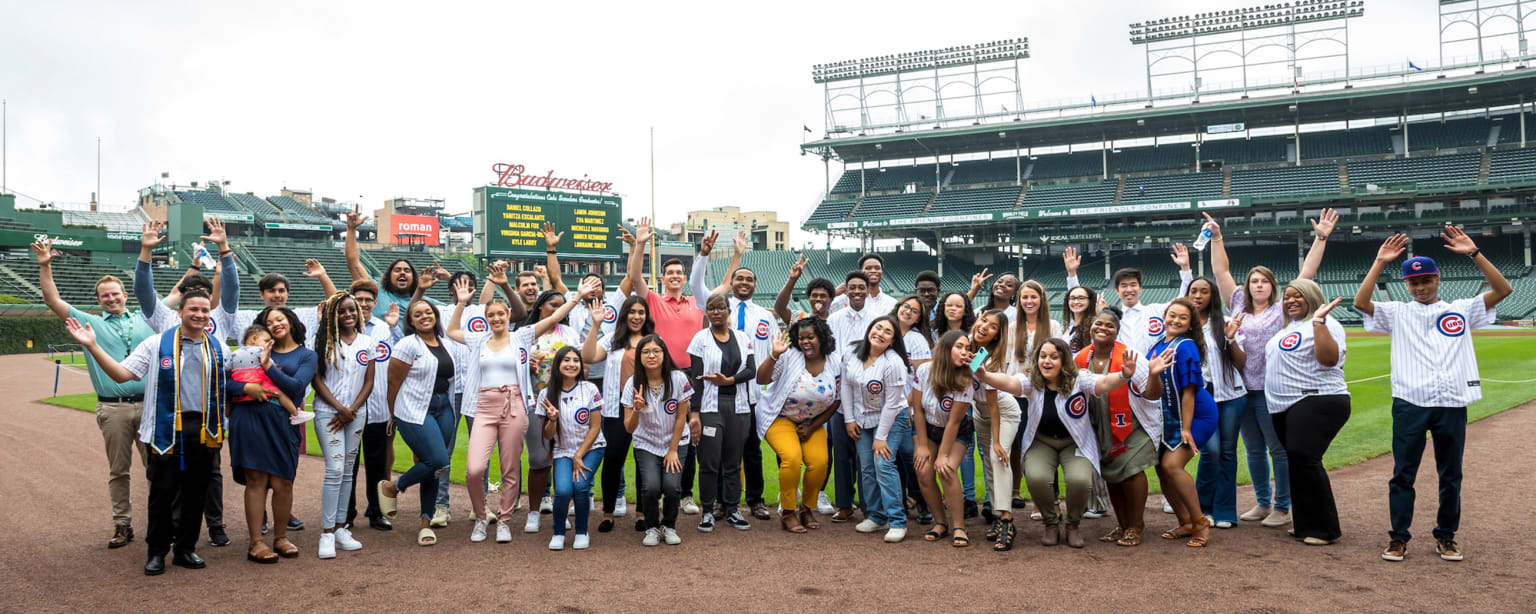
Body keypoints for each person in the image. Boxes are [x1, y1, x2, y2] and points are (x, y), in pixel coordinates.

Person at [64, 288, 255, 575]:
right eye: (194, 309)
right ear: (180, 312)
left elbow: (228, 387)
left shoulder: (219, 347)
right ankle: (156, 551)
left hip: (204, 429)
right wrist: (92, 345)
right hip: (166, 429)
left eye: (205, 311)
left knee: (196, 492)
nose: (200, 315)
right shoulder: (156, 344)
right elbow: (121, 374)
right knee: (162, 494)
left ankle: (186, 549)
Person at [1355, 229, 1512, 562]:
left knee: (1451, 474)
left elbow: (1503, 289)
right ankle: (1398, 538)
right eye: (1414, 282)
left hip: (1452, 401)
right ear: (1406, 285)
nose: (1420, 286)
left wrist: (1474, 253)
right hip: (1410, 401)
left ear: (1437, 279)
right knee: (1403, 474)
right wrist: (1379, 263)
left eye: (1426, 280)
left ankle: (1446, 536)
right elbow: (1360, 303)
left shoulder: (1462, 309)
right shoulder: (1397, 312)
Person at [1202, 209, 1333, 528]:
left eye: (1264, 281)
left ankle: (1282, 505)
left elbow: (1306, 276)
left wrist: (1320, 239)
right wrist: (1217, 238)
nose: (1258, 285)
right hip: (1241, 391)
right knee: (1254, 451)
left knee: (1277, 449)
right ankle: (1262, 502)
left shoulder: (1281, 310)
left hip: (1272, 390)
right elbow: (1221, 272)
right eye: (1253, 281)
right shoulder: (1236, 304)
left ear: (1272, 286)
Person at [33, 236, 161, 549]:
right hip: (113, 408)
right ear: (99, 300)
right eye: (104, 296)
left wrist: (197, 264)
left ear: (125, 294)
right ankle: (123, 525)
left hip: (149, 407)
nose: (110, 299)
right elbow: (53, 301)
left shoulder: (147, 318)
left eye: (115, 293)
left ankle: (162, 524)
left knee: (157, 470)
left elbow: (175, 298)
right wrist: (44, 267)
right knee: (119, 471)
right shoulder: (87, 321)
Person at [446, 276, 596, 543]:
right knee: (474, 469)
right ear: (487, 318)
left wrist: (575, 297)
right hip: (484, 405)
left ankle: (504, 520)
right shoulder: (479, 340)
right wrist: (460, 303)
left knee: (510, 468)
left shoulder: (522, 336)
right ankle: (482, 518)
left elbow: (552, 319)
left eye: (500, 314)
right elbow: (451, 332)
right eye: (490, 315)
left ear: (508, 315)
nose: (495, 318)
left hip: (514, 405)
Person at [129, 221, 241, 546]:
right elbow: (143, 291)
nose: (200, 307)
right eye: (193, 302)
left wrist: (225, 250)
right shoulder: (165, 320)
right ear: (180, 306)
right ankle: (169, 533)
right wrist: (146, 251)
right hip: (167, 419)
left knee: (209, 478)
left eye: (206, 301)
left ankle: (214, 527)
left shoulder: (217, 319)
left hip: (206, 419)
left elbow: (231, 290)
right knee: (166, 482)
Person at [975, 338, 1139, 548]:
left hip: (1075, 443)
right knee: (1036, 477)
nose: (1047, 361)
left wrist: (1124, 374)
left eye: (1054, 357)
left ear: (1064, 360)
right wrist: (984, 375)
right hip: (1041, 442)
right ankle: (1051, 523)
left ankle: (1073, 525)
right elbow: (1009, 383)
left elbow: (1103, 383)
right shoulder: (1031, 380)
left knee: (1079, 480)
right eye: (1043, 356)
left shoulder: (1079, 379)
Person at [692, 232, 777, 521]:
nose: (743, 283)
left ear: (755, 285)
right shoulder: (718, 308)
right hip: (716, 400)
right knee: (716, 453)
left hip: (752, 395)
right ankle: (718, 504)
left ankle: (755, 500)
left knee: (750, 451)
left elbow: (766, 357)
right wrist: (727, 255)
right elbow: (697, 285)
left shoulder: (764, 317)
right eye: (738, 279)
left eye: (748, 279)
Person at [626, 218, 706, 517]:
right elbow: (634, 279)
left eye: (679, 273)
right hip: (657, 373)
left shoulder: (696, 302)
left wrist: (731, 255)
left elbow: (722, 286)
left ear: (684, 278)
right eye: (669, 273)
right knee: (651, 429)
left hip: (689, 374)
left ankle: (685, 494)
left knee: (688, 433)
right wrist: (641, 243)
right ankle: (652, 495)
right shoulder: (655, 302)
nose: (675, 276)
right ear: (662, 278)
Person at [1265, 280, 1350, 546]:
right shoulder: (1288, 328)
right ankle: (1305, 524)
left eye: (1297, 296)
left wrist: (1319, 324)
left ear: (1311, 297)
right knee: (1296, 462)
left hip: (1317, 398)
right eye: (1287, 297)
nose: (1290, 301)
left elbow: (1329, 359)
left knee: (1306, 458)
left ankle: (1326, 529)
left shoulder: (1325, 323)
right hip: (1285, 404)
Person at [377, 299, 464, 547]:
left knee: (433, 467)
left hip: (443, 408)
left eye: (428, 312)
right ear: (411, 321)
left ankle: (425, 522)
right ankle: (393, 488)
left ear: (435, 315)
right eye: (418, 314)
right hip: (414, 410)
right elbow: (392, 384)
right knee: (438, 461)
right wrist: (393, 415)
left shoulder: (446, 344)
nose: (424, 316)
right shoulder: (406, 345)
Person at [1074, 308, 1160, 547]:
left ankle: (1136, 524)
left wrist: (1154, 375)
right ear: (1091, 326)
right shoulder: (1080, 358)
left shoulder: (1130, 356)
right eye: (1099, 324)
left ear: (1117, 332)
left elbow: (1153, 394)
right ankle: (1123, 524)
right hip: (1099, 426)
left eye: (1109, 326)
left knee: (1130, 471)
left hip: (1132, 425)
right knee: (1112, 475)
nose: (1103, 328)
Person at [310, 292, 384, 559]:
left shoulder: (368, 342)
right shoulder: (322, 341)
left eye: (352, 310)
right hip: (327, 413)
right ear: (333, 315)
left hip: (356, 414)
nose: (349, 314)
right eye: (342, 311)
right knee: (335, 468)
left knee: (348, 471)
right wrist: (339, 408)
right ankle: (327, 532)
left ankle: (341, 528)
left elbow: (369, 381)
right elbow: (316, 380)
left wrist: (351, 409)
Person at [1141, 298, 1219, 547]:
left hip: (1197, 414)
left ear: (1190, 324)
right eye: (1172, 315)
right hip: (1168, 415)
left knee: (1172, 465)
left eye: (1182, 318)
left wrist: (1186, 429)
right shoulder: (1156, 346)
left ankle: (1200, 521)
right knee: (1161, 469)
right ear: (1164, 316)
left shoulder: (1186, 346)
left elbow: (1189, 391)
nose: (1175, 320)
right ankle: (1184, 521)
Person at [756, 317, 842, 533]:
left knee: (820, 462)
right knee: (792, 459)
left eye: (810, 337)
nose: (805, 342)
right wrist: (774, 355)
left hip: (812, 423)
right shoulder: (789, 356)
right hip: (780, 418)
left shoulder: (835, 361)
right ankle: (787, 511)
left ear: (821, 338)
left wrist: (813, 426)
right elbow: (761, 379)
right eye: (801, 338)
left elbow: (838, 399)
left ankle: (807, 509)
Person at [582, 295, 655, 533]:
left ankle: (643, 513)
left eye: (641, 312)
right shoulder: (613, 339)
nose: (636, 316)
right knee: (613, 460)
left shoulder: (654, 341)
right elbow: (588, 357)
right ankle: (608, 513)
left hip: (647, 410)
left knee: (646, 461)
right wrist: (595, 325)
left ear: (646, 316)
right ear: (625, 315)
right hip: (616, 410)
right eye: (632, 312)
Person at [687, 293, 759, 532]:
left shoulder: (741, 337)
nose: (716, 312)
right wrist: (694, 414)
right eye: (711, 308)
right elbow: (696, 380)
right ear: (706, 313)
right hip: (709, 407)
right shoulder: (700, 339)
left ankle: (732, 509)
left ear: (729, 310)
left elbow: (751, 370)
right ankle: (707, 510)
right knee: (709, 462)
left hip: (738, 407)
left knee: (732, 462)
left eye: (720, 308)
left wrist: (729, 380)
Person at [518, 287, 585, 532]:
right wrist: (526, 366)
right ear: (540, 306)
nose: (557, 310)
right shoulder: (525, 334)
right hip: (534, 403)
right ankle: (533, 512)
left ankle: (561, 509)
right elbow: (512, 366)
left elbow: (580, 366)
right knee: (538, 459)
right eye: (552, 305)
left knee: (563, 458)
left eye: (561, 306)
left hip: (565, 403)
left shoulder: (569, 333)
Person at [842, 315, 912, 543]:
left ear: (892, 341)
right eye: (877, 327)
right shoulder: (852, 353)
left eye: (887, 332)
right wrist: (849, 418)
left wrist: (881, 437)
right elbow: (845, 386)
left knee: (883, 464)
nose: (880, 333)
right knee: (867, 468)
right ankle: (877, 515)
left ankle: (897, 520)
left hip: (892, 418)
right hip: (862, 419)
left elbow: (892, 404)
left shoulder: (893, 363)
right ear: (870, 329)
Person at [1188, 277, 1249, 529]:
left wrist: (1230, 338)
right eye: (1194, 291)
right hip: (1202, 398)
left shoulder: (1224, 323)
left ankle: (1225, 511)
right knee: (1210, 451)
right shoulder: (1184, 327)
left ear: (1212, 296)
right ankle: (1203, 508)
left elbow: (1241, 363)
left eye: (1204, 291)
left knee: (1226, 452)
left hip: (1232, 395)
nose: (1199, 295)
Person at [910, 330, 979, 548]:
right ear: (946, 348)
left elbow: (954, 422)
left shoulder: (966, 378)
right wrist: (922, 446)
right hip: (927, 427)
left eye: (967, 348)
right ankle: (940, 522)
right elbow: (918, 410)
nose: (964, 351)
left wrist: (942, 455)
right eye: (959, 346)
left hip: (956, 430)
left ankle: (959, 525)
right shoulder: (924, 369)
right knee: (923, 470)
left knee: (946, 469)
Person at [623, 335, 694, 547]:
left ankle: (669, 525)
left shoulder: (678, 379)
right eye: (646, 352)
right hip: (646, 443)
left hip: (676, 441)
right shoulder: (633, 384)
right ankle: (652, 526)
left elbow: (682, 417)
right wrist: (636, 409)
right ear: (639, 357)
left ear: (664, 354)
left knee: (672, 486)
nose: (651, 355)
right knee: (651, 487)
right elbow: (629, 427)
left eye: (656, 351)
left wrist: (673, 450)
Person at [343, 280, 402, 533]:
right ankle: (346, 514)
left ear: (374, 303)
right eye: (359, 299)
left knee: (377, 464)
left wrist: (395, 328)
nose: (364, 304)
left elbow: (399, 356)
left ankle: (377, 512)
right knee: (349, 464)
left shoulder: (383, 329)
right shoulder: (341, 329)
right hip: (349, 406)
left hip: (377, 405)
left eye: (368, 300)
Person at [536, 347, 607, 550]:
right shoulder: (545, 394)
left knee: (580, 486)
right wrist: (551, 419)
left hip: (591, 447)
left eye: (575, 360)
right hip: (562, 450)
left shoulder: (590, 389)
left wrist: (579, 454)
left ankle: (582, 531)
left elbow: (595, 427)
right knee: (564, 490)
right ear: (558, 365)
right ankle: (558, 532)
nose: (571, 364)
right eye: (566, 360)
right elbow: (548, 435)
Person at [824, 271, 877, 522]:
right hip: (839, 395)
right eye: (852, 287)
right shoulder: (834, 319)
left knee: (864, 455)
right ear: (846, 290)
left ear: (868, 290)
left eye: (861, 287)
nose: (856, 292)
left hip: (868, 396)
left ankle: (869, 506)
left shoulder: (877, 319)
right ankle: (844, 504)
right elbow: (829, 352)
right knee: (841, 454)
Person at [966, 308, 1019, 546]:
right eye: (984, 320)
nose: (985, 326)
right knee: (989, 464)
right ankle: (998, 515)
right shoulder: (967, 347)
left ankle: (1007, 519)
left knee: (999, 458)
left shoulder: (990, 357)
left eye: (993, 326)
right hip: (981, 412)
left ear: (998, 335)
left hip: (1003, 412)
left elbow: (994, 404)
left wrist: (998, 441)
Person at [226, 327, 308, 424]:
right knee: (280, 394)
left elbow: (227, 368)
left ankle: (228, 414)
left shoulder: (234, 354)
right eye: (266, 341)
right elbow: (270, 365)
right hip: (258, 383)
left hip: (241, 387)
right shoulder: (259, 351)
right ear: (253, 338)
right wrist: (276, 368)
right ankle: (295, 414)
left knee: (228, 397)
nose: (269, 345)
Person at [773, 254, 836, 324]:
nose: (818, 299)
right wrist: (792, 279)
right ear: (809, 298)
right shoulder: (800, 319)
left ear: (830, 299)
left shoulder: (836, 323)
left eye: (823, 296)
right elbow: (779, 308)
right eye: (814, 295)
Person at [831, 253, 897, 315]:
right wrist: (833, 293)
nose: (873, 271)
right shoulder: (846, 298)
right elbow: (822, 312)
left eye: (877, 268)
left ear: (881, 271)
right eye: (868, 268)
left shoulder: (892, 304)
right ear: (861, 272)